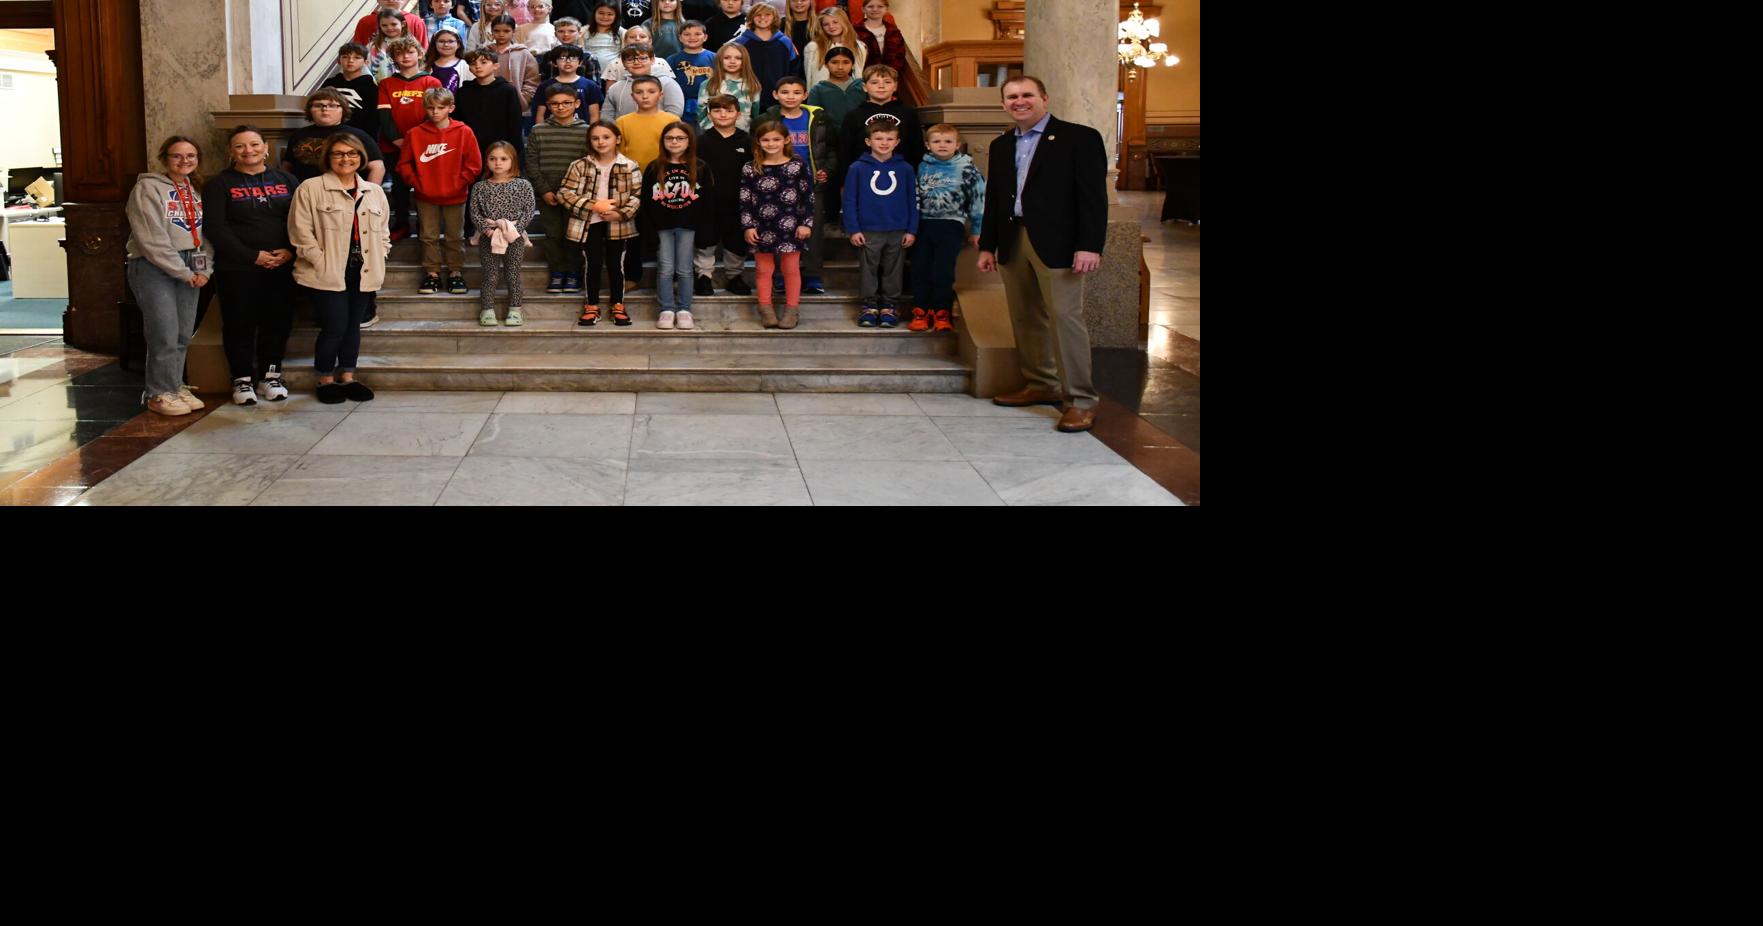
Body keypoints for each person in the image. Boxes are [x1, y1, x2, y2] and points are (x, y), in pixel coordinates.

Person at [975, 76, 1108, 433]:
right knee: (1025, 316)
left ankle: (1080, 400)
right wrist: (988, 245)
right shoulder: (1002, 144)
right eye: (1012, 97)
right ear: (1004, 104)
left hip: (1060, 243)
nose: (1020, 102)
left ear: (1044, 99)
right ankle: (1040, 384)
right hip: (1013, 239)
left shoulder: (1079, 138)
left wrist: (1090, 244)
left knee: (1065, 318)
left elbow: (1093, 198)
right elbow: (994, 199)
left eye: (1027, 95)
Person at [289, 132, 389, 404]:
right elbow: (300, 232)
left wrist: (382, 254)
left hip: (362, 269)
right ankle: (324, 378)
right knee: (334, 326)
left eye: (352, 153)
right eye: (339, 154)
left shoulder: (374, 191)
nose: (346, 159)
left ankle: (348, 376)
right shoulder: (311, 188)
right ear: (328, 158)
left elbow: (383, 232)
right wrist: (320, 260)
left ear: (361, 158)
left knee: (353, 326)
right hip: (327, 270)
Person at [203, 126, 300, 404]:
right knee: (238, 324)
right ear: (231, 152)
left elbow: (300, 220)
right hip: (237, 268)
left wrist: (291, 250)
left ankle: (271, 376)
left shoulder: (287, 179)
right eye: (240, 146)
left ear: (266, 147)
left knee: (277, 322)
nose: (249, 151)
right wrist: (251, 255)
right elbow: (215, 227)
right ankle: (242, 379)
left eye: (255, 144)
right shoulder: (218, 184)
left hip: (282, 266)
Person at [125, 137, 215, 416]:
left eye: (191, 155)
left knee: (182, 332)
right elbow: (152, 238)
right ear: (164, 159)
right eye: (177, 156)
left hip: (190, 265)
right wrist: (182, 271)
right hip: (155, 266)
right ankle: (158, 393)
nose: (184, 161)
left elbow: (203, 235)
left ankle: (175, 385)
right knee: (163, 332)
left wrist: (204, 269)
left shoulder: (194, 189)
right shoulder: (147, 188)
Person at [399, 87, 483, 296]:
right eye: (430, 108)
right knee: (428, 236)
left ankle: (455, 272)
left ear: (451, 108)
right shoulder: (415, 134)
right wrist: (417, 183)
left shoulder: (464, 132)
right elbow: (404, 164)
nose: (435, 112)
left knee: (455, 235)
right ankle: (432, 273)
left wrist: (459, 182)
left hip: (456, 195)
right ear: (425, 109)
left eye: (440, 108)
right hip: (425, 195)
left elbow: (474, 164)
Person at [557, 120, 640, 326]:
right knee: (592, 263)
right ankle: (592, 306)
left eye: (606, 137)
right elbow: (564, 193)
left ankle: (618, 305)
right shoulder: (579, 165)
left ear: (617, 139)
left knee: (615, 264)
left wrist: (620, 214)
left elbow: (637, 196)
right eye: (595, 138)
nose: (601, 142)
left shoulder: (629, 165)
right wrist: (593, 205)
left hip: (617, 223)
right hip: (588, 222)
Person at [757, 75, 831, 293]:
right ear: (775, 95)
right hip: (778, 184)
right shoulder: (767, 118)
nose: (791, 97)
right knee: (779, 229)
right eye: (786, 92)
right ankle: (780, 275)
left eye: (797, 92)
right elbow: (758, 147)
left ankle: (813, 275)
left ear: (805, 95)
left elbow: (831, 149)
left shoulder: (817, 117)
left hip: (811, 184)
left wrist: (827, 170)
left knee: (812, 231)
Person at [740, 120, 814, 329]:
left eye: (776, 139)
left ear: (786, 140)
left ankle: (792, 310)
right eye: (766, 140)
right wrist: (748, 226)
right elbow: (745, 199)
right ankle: (766, 309)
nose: (771, 144)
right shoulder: (751, 167)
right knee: (764, 269)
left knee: (791, 268)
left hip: (791, 224)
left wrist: (806, 224)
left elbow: (807, 197)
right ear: (758, 142)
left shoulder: (797, 165)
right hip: (761, 225)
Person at [910, 123, 983, 333]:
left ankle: (941, 312)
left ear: (957, 145)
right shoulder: (922, 167)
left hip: (951, 224)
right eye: (937, 141)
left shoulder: (966, 168)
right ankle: (921, 311)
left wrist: (977, 229)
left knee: (943, 271)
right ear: (927, 145)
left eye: (948, 141)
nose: (942, 145)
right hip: (923, 224)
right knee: (920, 268)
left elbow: (979, 199)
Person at [642, 118, 713, 329]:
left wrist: (704, 230)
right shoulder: (654, 167)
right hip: (662, 226)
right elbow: (645, 200)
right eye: (670, 138)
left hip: (688, 226)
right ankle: (666, 308)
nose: (674, 142)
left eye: (680, 138)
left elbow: (708, 202)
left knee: (684, 269)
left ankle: (684, 308)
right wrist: (649, 229)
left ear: (689, 141)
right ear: (663, 141)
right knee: (665, 268)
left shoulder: (700, 167)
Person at [843, 120, 913, 327]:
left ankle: (890, 305)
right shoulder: (857, 168)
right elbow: (849, 201)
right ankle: (869, 305)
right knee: (869, 268)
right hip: (868, 230)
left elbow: (912, 200)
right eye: (879, 138)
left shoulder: (905, 168)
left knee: (894, 269)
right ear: (868, 141)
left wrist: (911, 229)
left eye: (889, 139)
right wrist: (853, 229)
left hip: (898, 230)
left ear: (897, 142)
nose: (884, 143)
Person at [527, 85, 592, 294]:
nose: (560, 107)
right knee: (553, 235)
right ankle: (557, 272)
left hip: (577, 196)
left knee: (574, 236)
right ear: (548, 106)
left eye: (566, 103)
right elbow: (532, 163)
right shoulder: (538, 131)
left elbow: (590, 165)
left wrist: (576, 194)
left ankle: (574, 273)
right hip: (549, 195)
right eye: (555, 104)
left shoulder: (586, 131)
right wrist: (544, 190)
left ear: (577, 104)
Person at [376, 37, 442, 242]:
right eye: (400, 53)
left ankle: (426, 227)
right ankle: (402, 225)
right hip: (393, 147)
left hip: (424, 146)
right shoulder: (387, 84)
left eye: (410, 52)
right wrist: (397, 140)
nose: (405, 56)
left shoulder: (431, 81)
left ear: (420, 54)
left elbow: (434, 114)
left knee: (425, 187)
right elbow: (384, 115)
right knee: (399, 189)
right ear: (393, 57)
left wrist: (415, 141)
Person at [469, 141, 537, 326]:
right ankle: (487, 309)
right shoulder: (480, 187)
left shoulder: (523, 185)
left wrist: (516, 230)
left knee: (512, 273)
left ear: (512, 161)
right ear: (487, 162)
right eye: (493, 159)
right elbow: (475, 213)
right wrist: (488, 231)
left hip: (514, 236)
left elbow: (529, 210)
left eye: (503, 159)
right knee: (490, 274)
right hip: (488, 237)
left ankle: (515, 309)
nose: (498, 163)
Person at [694, 94, 751, 295]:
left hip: (738, 202)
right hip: (707, 202)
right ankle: (703, 276)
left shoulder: (747, 140)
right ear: (709, 115)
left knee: (735, 241)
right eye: (717, 110)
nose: (723, 114)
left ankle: (734, 276)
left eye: (728, 110)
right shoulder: (701, 141)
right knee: (705, 240)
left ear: (738, 113)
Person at [837, 63, 921, 188]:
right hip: (863, 175)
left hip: (900, 174)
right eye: (874, 82)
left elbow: (917, 147)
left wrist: (914, 175)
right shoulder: (853, 116)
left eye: (887, 82)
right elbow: (845, 150)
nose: (881, 86)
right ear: (865, 87)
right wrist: (844, 181)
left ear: (895, 86)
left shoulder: (908, 114)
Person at [283, 89, 387, 185]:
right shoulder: (298, 135)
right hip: (305, 193)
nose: (325, 109)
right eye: (318, 105)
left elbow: (377, 168)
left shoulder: (358, 135)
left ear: (343, 109)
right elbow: (287, 167)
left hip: (347, 195)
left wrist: (368, 195)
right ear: (310, 110)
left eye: (332, 105)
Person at [455, 48, 528, 174]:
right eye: (473, 63)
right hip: (471, 149)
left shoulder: (507, 90)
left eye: (483, 62)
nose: (478, 66)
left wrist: (511, 152)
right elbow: (458, 122)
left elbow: (514, 125)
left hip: (500, 151)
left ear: (495, 66)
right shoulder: (463, 92)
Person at [732, 0, 797, 111]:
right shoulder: (741, 42)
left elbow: (794, 68)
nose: (762, 18)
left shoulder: (785, 42)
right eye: (758, 15)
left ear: (774, 17)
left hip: (778, 97)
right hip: (747, 96)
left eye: (767, 15)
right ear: (752, 17)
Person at [601, 43, 685, 120]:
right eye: (630, 59)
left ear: (652, 60)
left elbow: (675, 113)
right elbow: (606, 116)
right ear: (623, 63)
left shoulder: (668, 83)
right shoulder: (615, 88)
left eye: (642, 58)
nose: (636, 62)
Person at [696, 42, 760, 131]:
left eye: (738, 58)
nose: (732, 61)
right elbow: (701, 112)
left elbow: (755, 114)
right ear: (719, 60)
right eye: (727, 58)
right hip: (713, 134)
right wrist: (707, 129)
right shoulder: (708, 84)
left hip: (742, 134)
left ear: (745, 61)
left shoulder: (752, 85)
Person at [485, 14, 542, 112]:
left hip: (516, 106)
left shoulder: (523, 53)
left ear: (514, 32)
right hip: (487, 103)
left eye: (506, 31)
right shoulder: (485, 52)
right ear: (492, 32)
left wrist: (524, 98)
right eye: (497, 31)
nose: (501, 34)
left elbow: (533, 79)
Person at [320, 43, 380, 136]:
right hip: (328, 133)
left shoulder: (371, 87)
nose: (350, 61)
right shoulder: (329, 83)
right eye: (345, 57)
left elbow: (373, 119)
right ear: (338, 61)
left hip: (357, 136)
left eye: (357, 57)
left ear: (366, 62)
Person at [534, 43, 603, 124]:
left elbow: (594, 115)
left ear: (580, 62)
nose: (568, 61)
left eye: (573, 58)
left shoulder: (590, 85)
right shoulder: (545, 86)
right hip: (551, 131)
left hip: (582, 132)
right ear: (554, 63)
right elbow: (540, 113)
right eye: (562, 58)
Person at [803, 7, 863, 86]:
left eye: (835, 22)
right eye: (826, 24)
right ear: (821, 27)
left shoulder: (858, 46)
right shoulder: (813, 47)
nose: (831, 26)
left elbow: (858, 76)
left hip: (849, 93)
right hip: (822, 95)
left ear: (844, 22)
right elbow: (808, 77)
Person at [852, 0, 904, 75]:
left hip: (889, 76)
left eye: (880, 6)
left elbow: (900, 55)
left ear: (886, 9)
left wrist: (890, 73)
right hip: (862, 76)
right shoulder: (855, 30)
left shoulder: (893, 31)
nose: (875, 9)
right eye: (870, 6)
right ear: (863, 9)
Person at [354, 0, 427, 48]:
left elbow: (423, 50)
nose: (390, 0)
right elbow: (357, 51)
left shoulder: (415, 21)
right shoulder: (365, 22)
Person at [366, 9, 411, 81]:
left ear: (403, 24)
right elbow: (366, 68)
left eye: (393, 24)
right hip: (379, 86)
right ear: (380, 26)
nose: (389, 28)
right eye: (384, 25)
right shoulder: (373, 46)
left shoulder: (411, 44)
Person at [582, 1, 625, 75]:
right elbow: (581, 53)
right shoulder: (584, 31)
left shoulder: (622, 32)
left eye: (610, 14)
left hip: (614, 74)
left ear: (616, 16)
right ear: (594, 13)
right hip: (590, 74)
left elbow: (625, 54)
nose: (605, 17)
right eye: (601, 13)